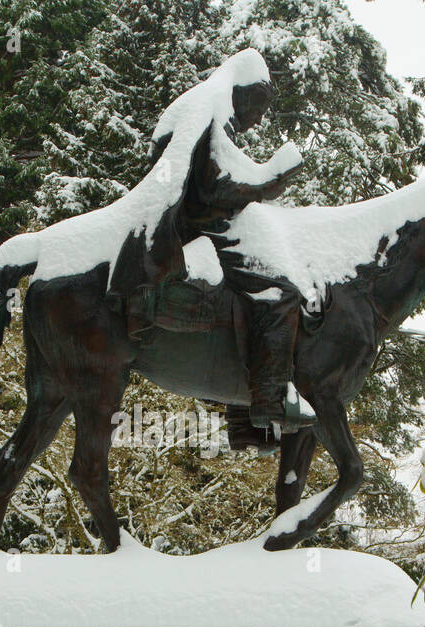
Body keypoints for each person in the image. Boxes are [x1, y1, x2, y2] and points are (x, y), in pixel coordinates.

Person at [106, 50, 316, 431]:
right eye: (259, 106)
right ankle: (266, 402)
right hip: (195, 229)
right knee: (279, 292)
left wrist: (263, 181)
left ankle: (245, 409)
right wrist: (273, 181)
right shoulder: (211, 109)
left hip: (193, 223)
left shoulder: (202, 107)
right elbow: (216, 185)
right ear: (245, 92)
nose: (258, 118)